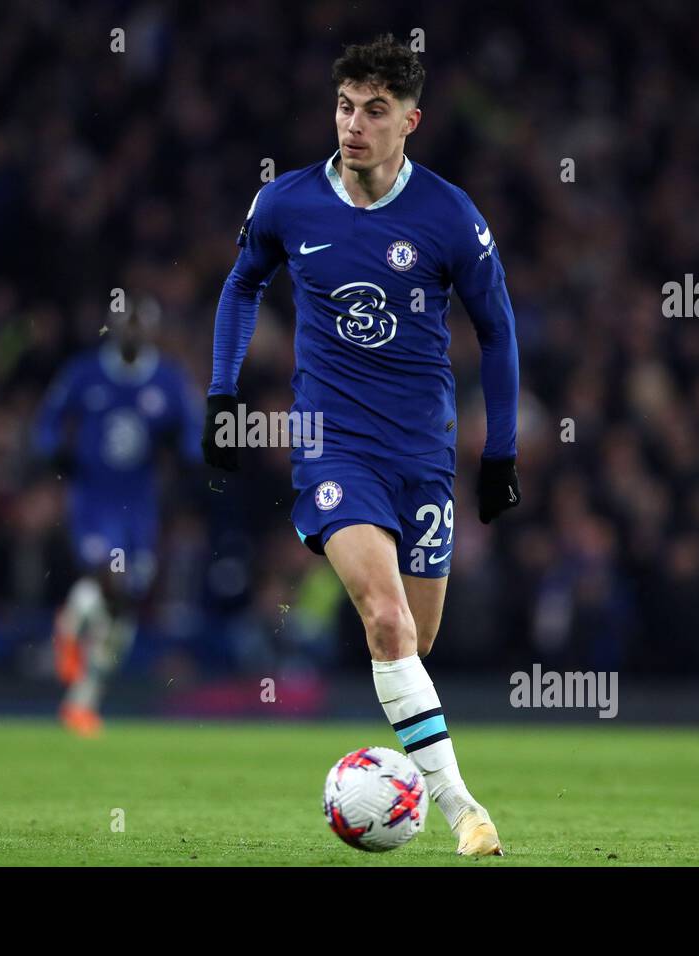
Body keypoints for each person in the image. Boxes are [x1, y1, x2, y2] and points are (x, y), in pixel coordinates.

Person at [202, 35, 520, 855]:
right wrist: (221, 393)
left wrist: (502, 454)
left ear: (410, 120)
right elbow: (241, 284)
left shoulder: (449, 215)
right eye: (345, 107)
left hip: (423, 455)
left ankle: (401, 775)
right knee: (385, 623)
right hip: (332, 447)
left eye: (375, 111)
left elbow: (499, 333)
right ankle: (463, 811)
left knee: (412, 643)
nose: (354, 125)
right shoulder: (286, 203)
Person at [34, 296, 201, 735]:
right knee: (109, 577)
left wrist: (189, 460)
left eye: (137, 327)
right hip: (94, 498)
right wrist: (55, 455)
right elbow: (49, 421)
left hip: (140, 504)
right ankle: (72, 624)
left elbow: (192, 430)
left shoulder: (166, 379)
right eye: (122, 326)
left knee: (126, 605)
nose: (130, 335)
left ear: (150, 332)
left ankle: (80, 693)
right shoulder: (85, 373)